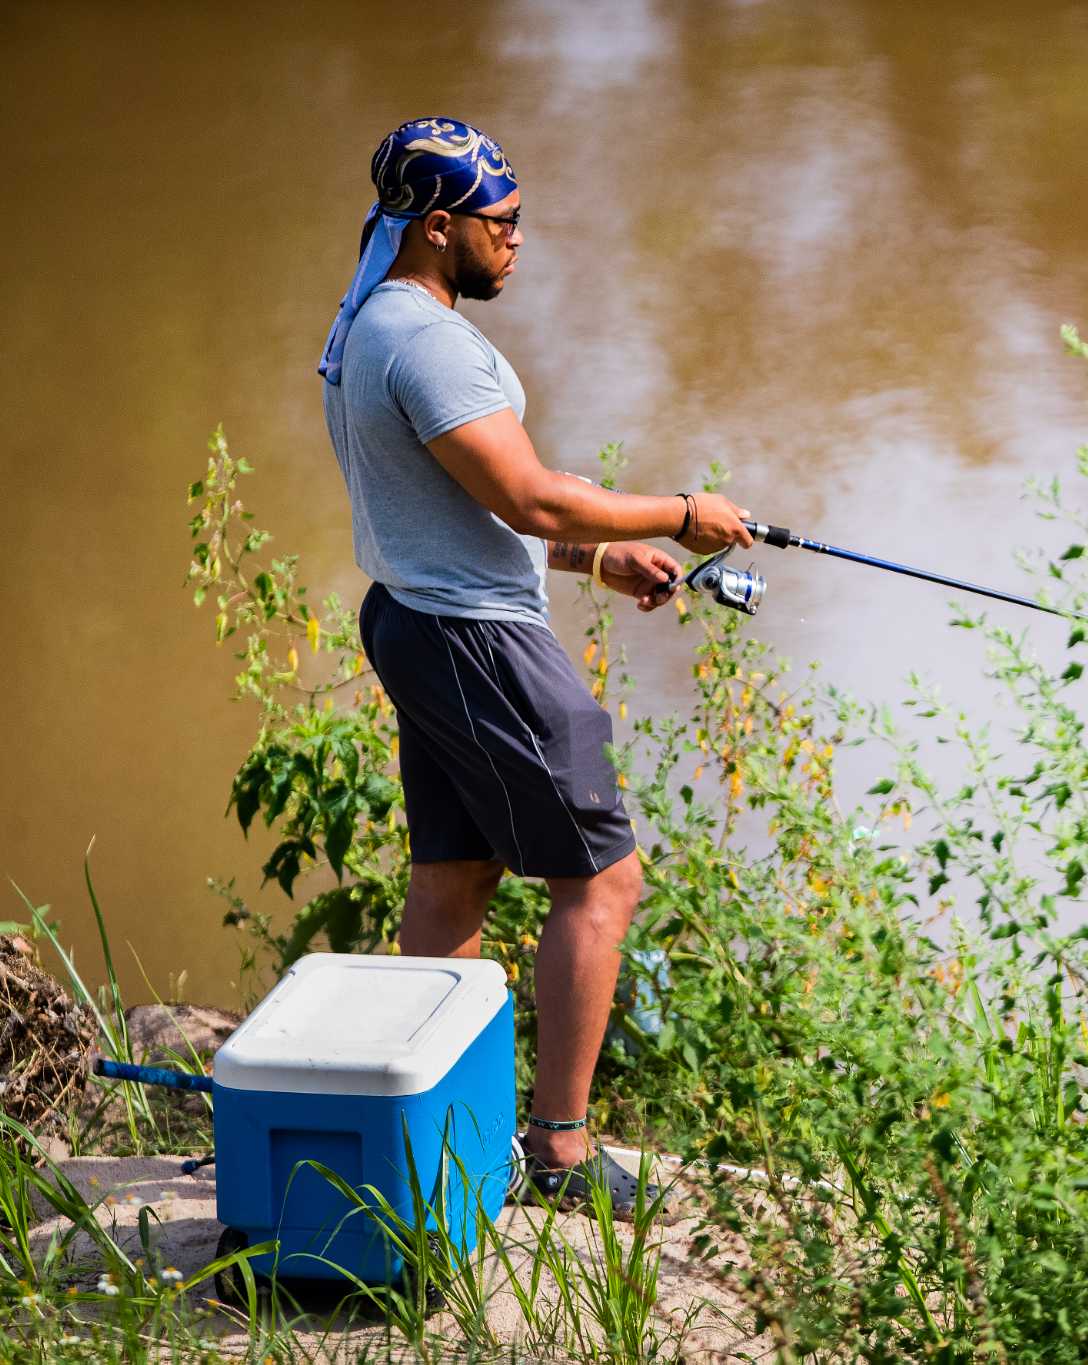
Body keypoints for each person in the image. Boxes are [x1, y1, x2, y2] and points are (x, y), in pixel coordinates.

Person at [317, 116, 750, 1209]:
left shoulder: (379, 322)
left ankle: (412, 1133)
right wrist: (684, 510)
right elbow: (529, 493)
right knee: (602, 881)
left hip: (421, 619)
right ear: (437, 225)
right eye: (500, 224)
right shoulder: (422, 343)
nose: (518, 240)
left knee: (454, 879)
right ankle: (556, 1153)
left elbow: (471, 502)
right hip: (476, 641)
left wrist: (593, 559)